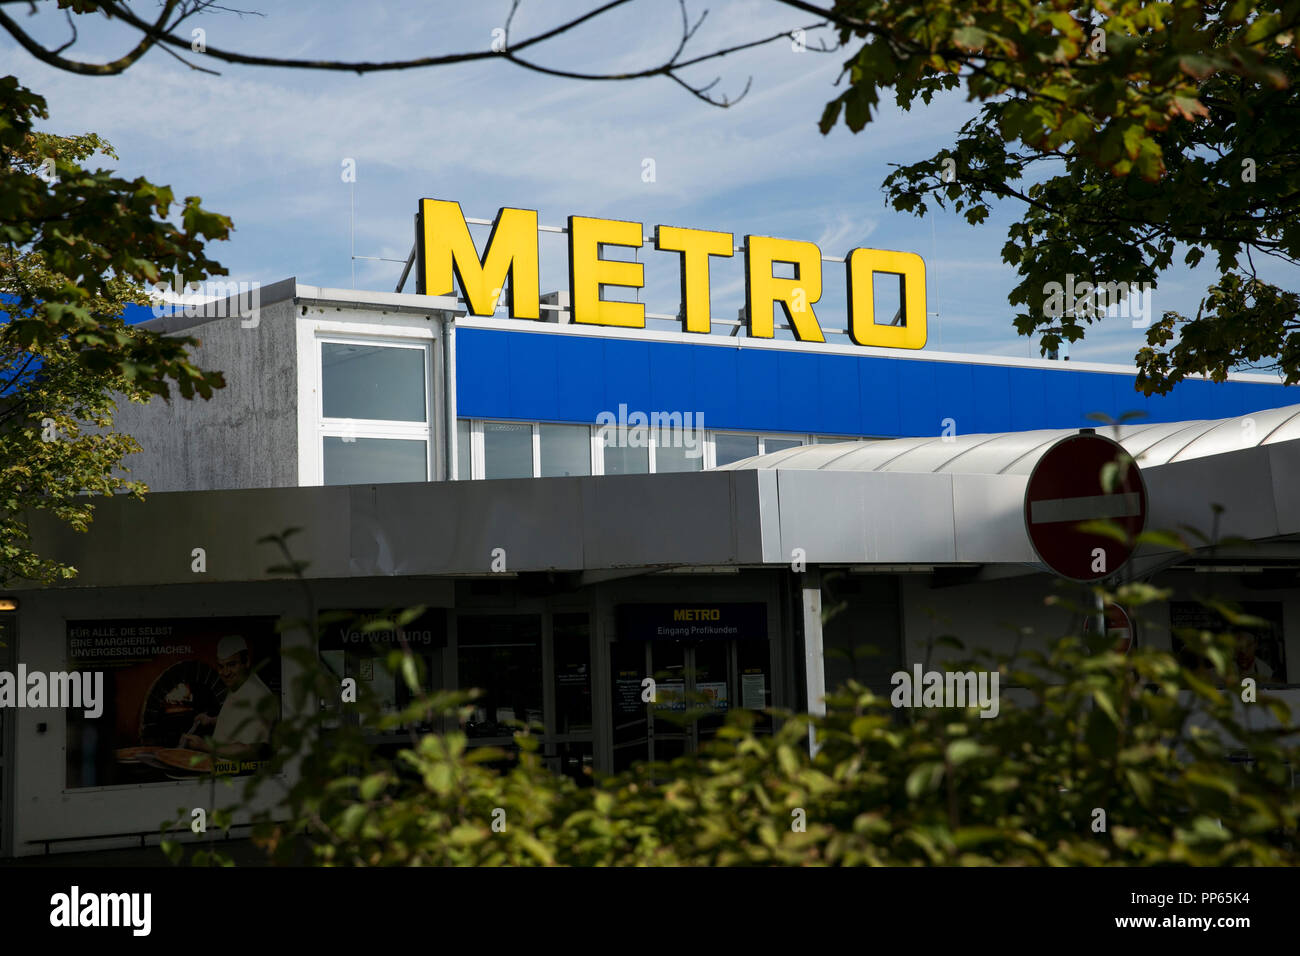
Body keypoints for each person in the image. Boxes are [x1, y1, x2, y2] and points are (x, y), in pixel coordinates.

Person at [181, 635, 277, 760]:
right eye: (221, 666)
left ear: (246, 661)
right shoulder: (239, 682)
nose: (225, 673)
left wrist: (204, 746)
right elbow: (239, 717)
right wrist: (211, 720)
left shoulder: (260, 698)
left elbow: (252, 750)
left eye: (231, 664)